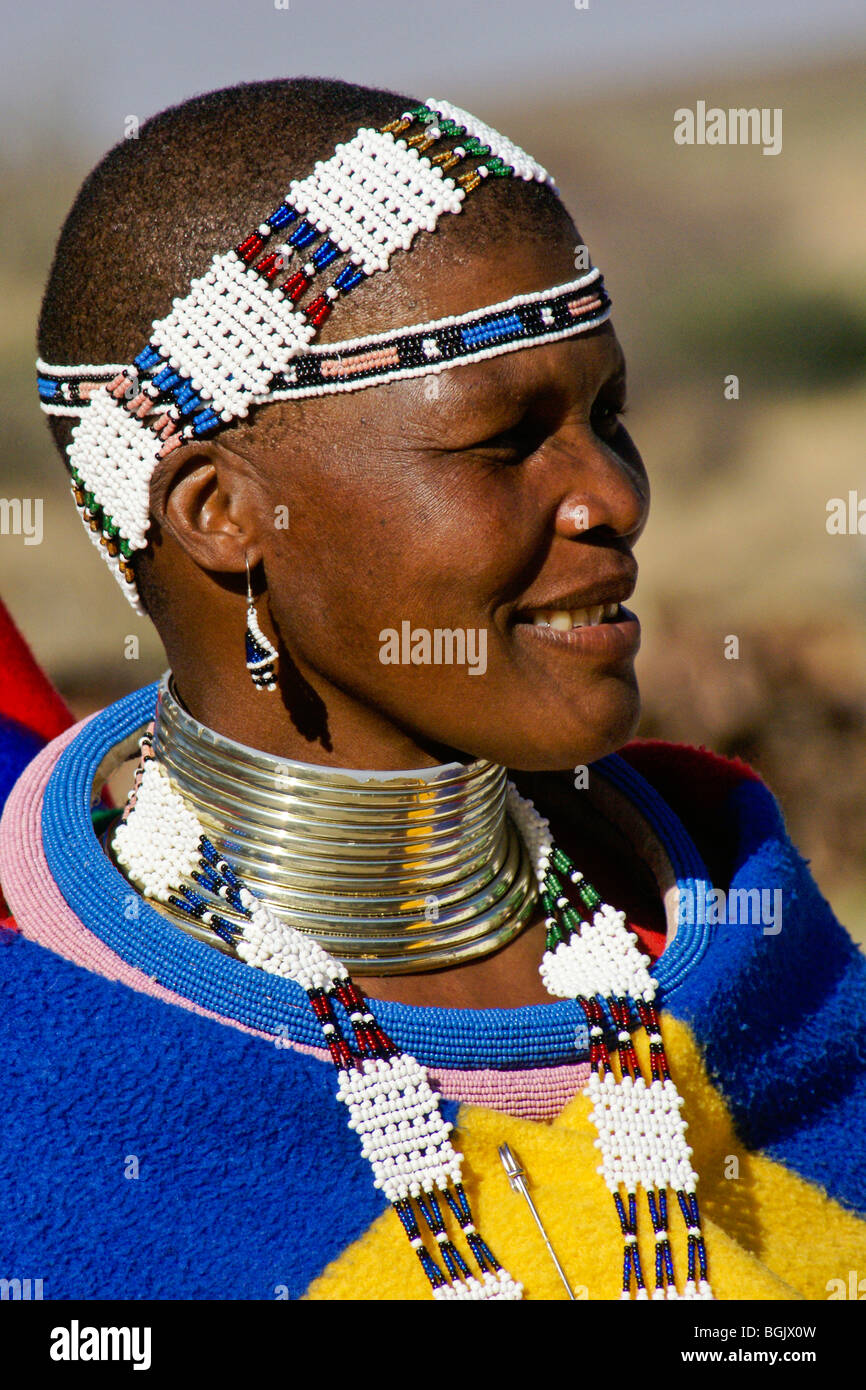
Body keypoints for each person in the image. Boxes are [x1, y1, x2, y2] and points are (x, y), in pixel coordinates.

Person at [1, 76, 864, 1302]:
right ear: (221, 513)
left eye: (605, 416)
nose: (612, 498)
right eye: (503, 441)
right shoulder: (53, 1094)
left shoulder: (753, 970)